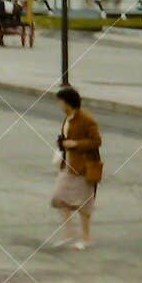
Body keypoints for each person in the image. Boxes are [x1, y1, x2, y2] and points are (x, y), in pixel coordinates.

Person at [50, 86, 102, 251]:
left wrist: (76, 144)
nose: (58, 104)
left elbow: (96, 141)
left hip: (83, 167)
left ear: (67, 102)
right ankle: (70, 233)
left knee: (83, 204)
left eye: (60, 101)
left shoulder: (86, 119)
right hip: (68, 164)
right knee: (59, 197)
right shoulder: (68, 118)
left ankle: (86, 238)